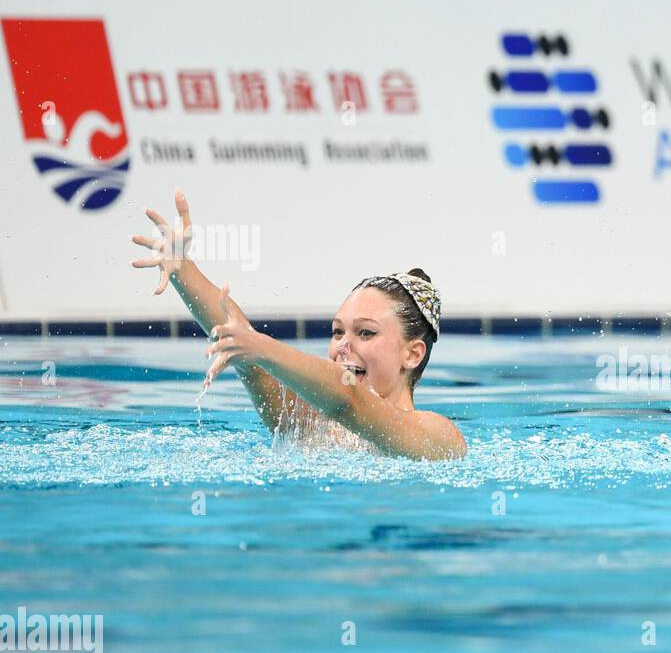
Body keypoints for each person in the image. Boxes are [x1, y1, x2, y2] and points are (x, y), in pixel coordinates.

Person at [129, 189, 466, 461]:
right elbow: (246, 353)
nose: (343, 345)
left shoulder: (438, 436)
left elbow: (348, 398)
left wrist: (262, 346)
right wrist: (182, 270)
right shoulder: (309, 426)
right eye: (337, 332)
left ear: (413, 354)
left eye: (366, 332)